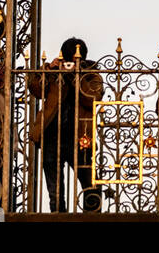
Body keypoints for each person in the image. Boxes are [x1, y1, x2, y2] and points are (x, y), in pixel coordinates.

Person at [28, 37, 103, 213]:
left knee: (91, 185)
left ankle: (92, 217)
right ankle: (58, 216)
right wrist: (48, 69)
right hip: (51, 135)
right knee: (55, 191)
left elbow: (93, 98)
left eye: (74, 60)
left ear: (81, 58)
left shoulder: (92, 75)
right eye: (67, 60)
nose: (70, 64)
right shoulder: (54, 74)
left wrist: (77, 77)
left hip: (79, 138)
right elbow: (36, 89)